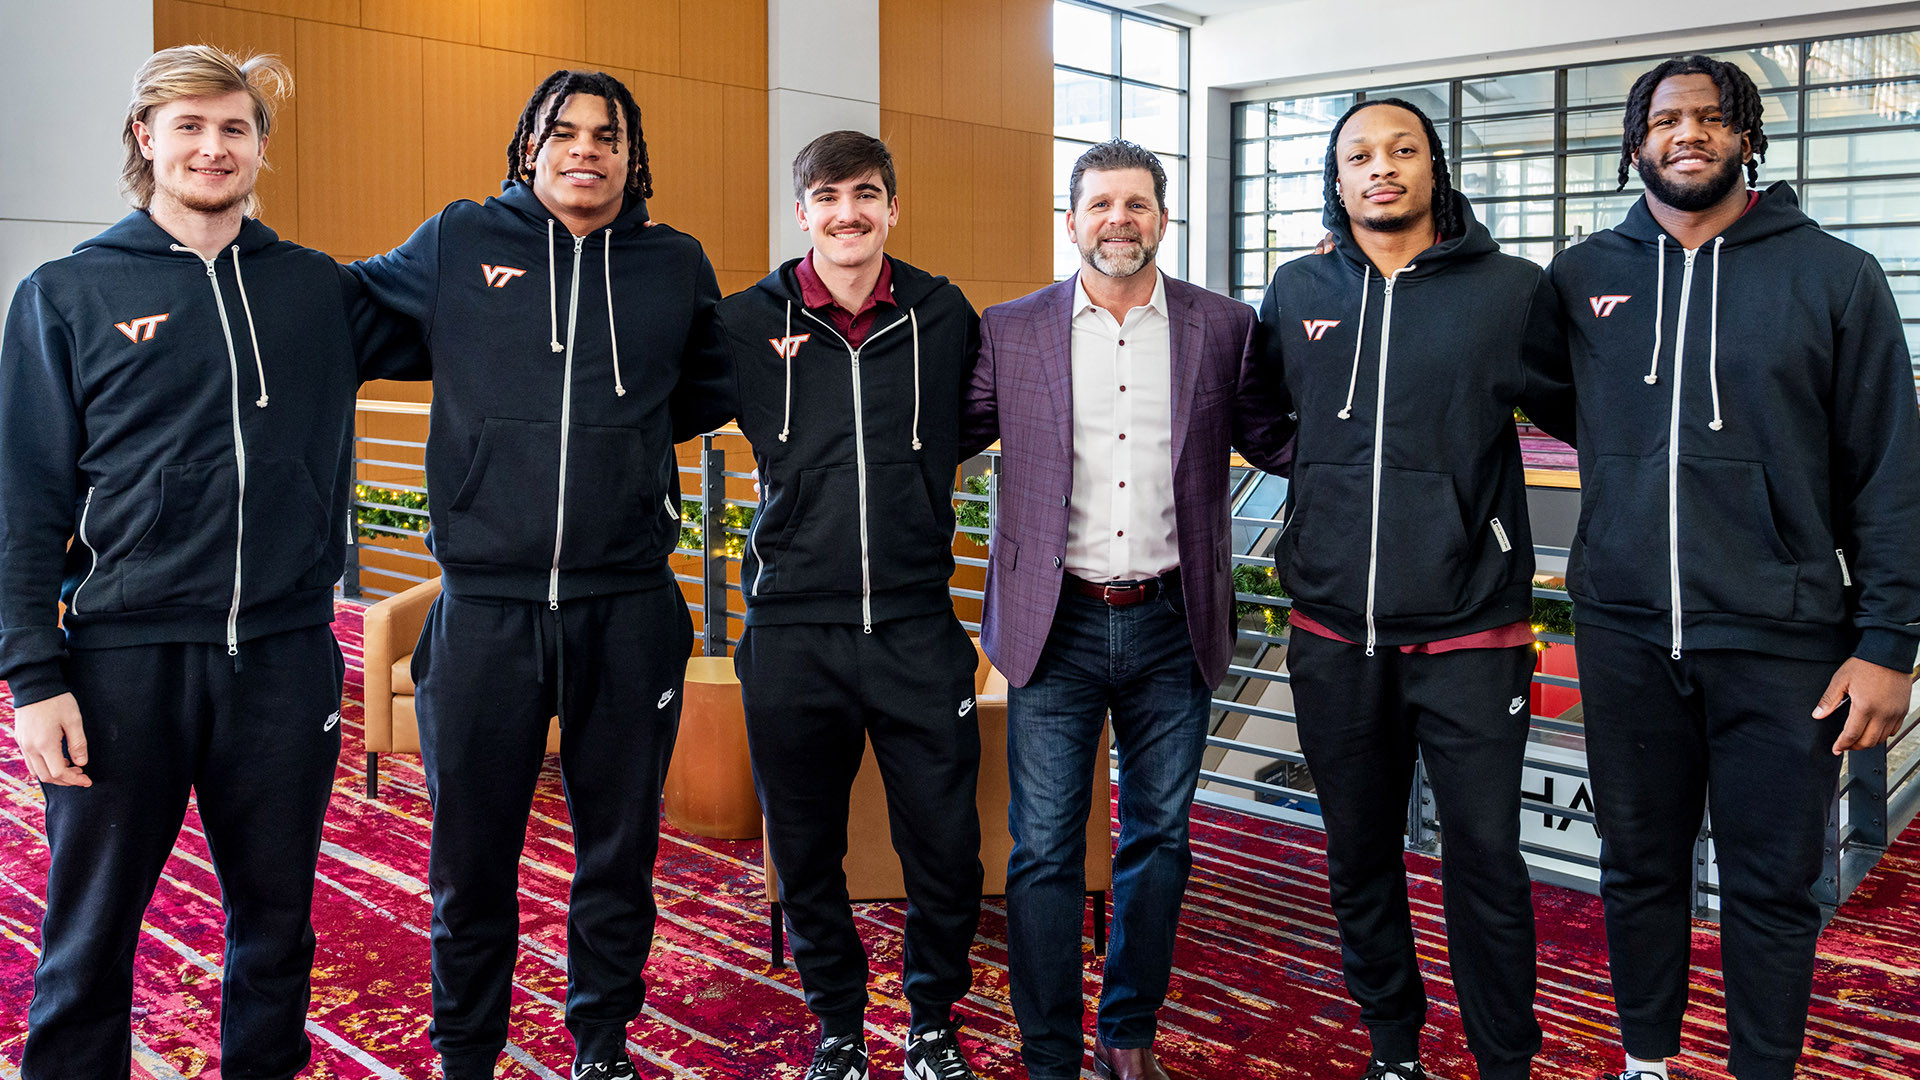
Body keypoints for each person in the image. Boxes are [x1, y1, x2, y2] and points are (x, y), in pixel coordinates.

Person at [0, 45, 421, 1079]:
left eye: (233, 128)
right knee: (88, 941)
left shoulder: (318, 291)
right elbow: (23, 497)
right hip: (119, 664)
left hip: (284, 660)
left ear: (259, 150)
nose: (212, 146)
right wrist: (31, 676)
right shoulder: (66, 292)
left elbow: (478, 309)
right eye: (188, 126)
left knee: (275, 933)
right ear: (146, 141)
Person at [1541, 55, 1920, 1080]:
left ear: (1747, 137)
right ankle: (1646, 1064)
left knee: (1773, 885)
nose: (1689, 134)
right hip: (1624, 633)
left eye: (1713, 118)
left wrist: (1889, 641)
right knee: (1638, 871)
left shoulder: (1834, 275)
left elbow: (1889, 469)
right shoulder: (1583, 277)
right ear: (1637, 145)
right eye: (1666, 120)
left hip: (1784, 639)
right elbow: (1522, 381)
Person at [349, 69, 731, 1079]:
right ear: (529, 146)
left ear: (630, 154)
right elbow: (335, 309)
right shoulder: (460, 242)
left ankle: (600, 1046)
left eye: (608, 135)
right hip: (483, 611)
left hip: (630, 607)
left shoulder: (673, 265)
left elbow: (704, 386)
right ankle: (466, 1051)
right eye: (564, 132)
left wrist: (618, 447)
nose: (586, 150)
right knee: (470, 863)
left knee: (618, 855)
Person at [1253, 97, 1573, 1080]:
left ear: (1434, 166)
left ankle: (1503, 1058)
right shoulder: (1299, 285)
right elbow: (1264, 415)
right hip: (1332, 632)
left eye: (1402, 149)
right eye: (1360, 154)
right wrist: (1332, 498)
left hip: (1472, 632)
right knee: (1358, 858)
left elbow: (1590, 414)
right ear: (1336, 177)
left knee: (1484, 864)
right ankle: (1394, 1049)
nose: (1381, 166)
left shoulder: (1511, 291)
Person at [959, 138, 1291, 1080]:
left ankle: (1128, 1033)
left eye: (1136, 204)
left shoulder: (1222, 327)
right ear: (1070, 221)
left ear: (1163, 218)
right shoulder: (1011, 328)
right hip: (1050, 624)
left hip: (1170, 622)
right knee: (1045, 850)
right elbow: (940, 432)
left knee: (1160, 839)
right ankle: (1051, 1049)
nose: (1119, 220)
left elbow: (1274, 438)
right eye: (1100, 204)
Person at [715, 129, 985, 1080]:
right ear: (803, 214)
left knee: (947, 851)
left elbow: (1004, 413)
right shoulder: (748, 321)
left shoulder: (943, 314)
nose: (848, 214)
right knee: (806, 849)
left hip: (918, 625)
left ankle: (931, 1023)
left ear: (893, 208)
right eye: (828, 197)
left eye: (866, 194)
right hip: (793, 628)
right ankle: (837, 1024)